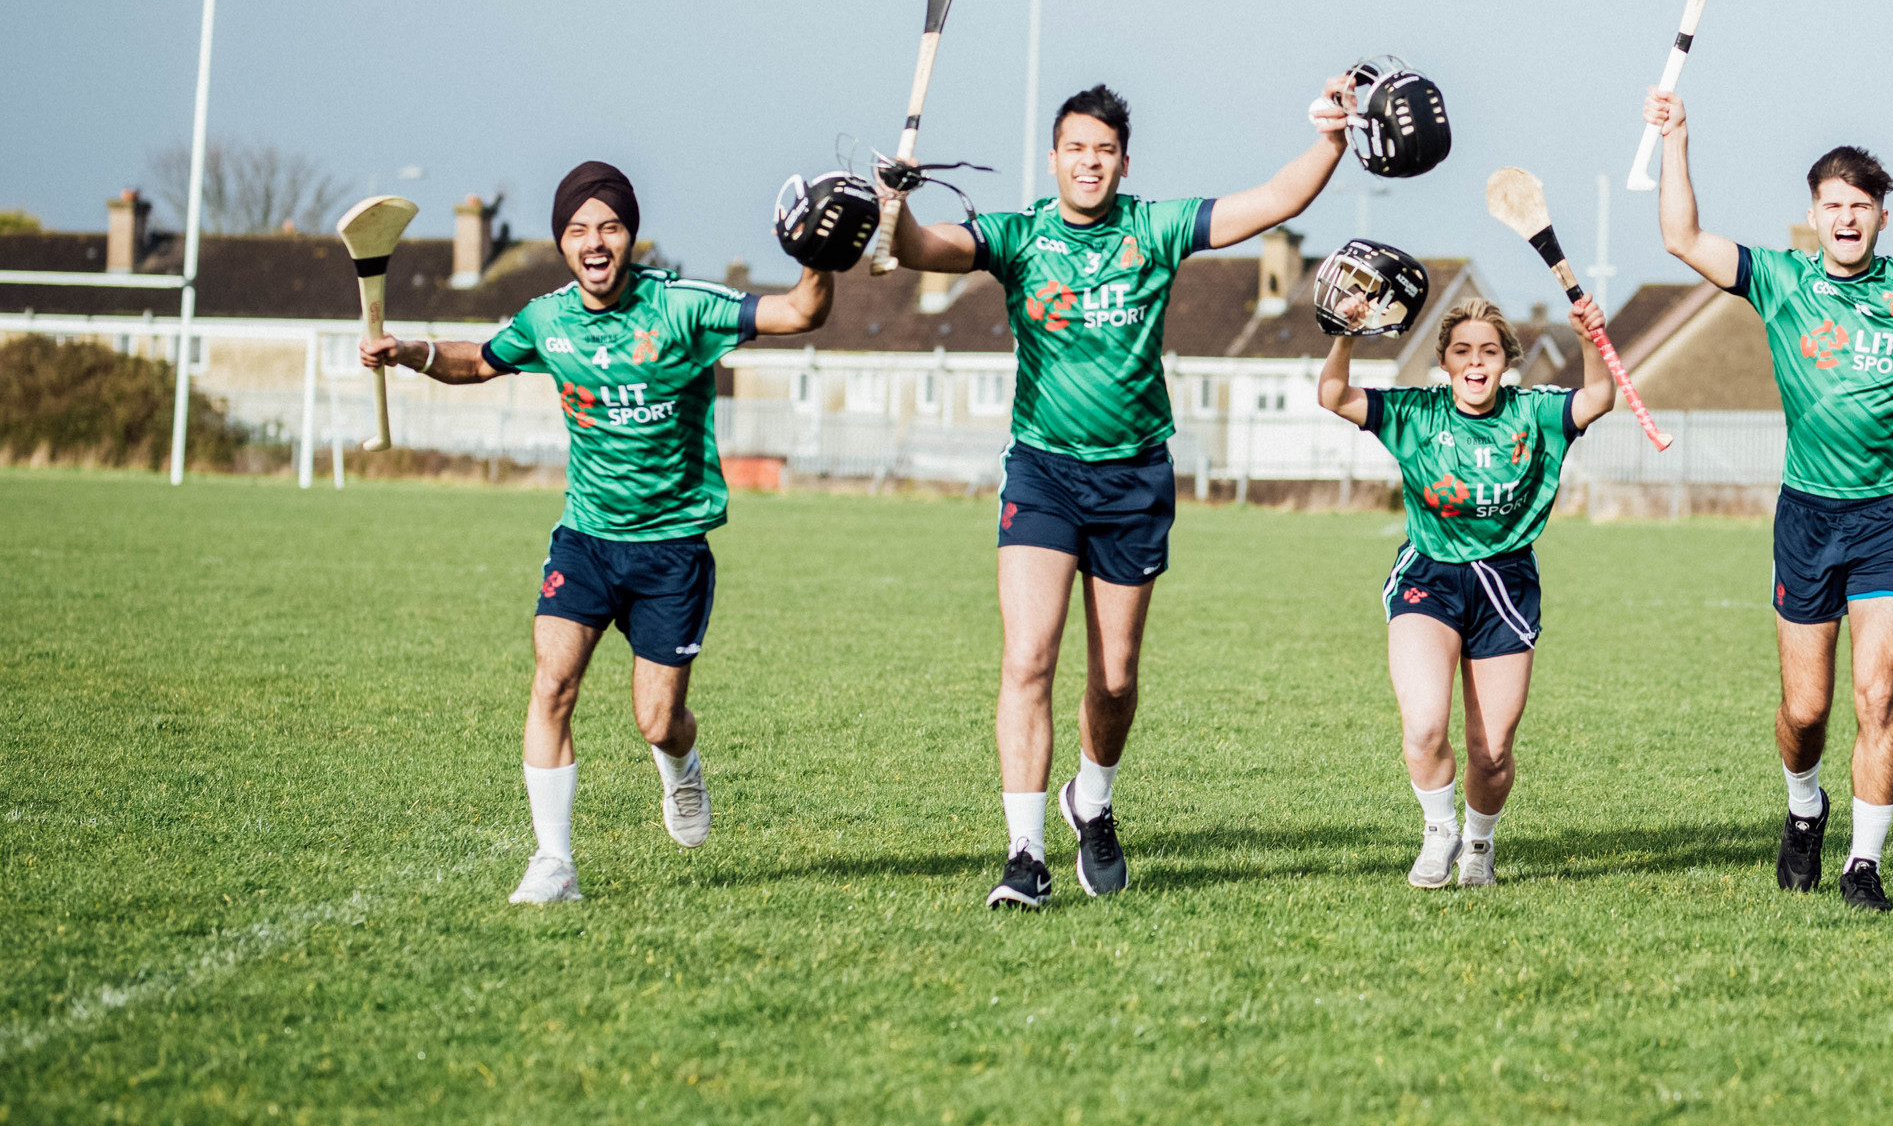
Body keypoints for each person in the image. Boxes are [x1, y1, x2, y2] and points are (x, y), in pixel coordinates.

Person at [885, 77, 1354, 908]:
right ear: (1055, 157)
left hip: (1134, 475)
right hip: (1042, 470)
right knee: (1028, 658)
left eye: (1104, 151)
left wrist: (1335, 133)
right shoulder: (1019, 235)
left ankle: (1092, 804)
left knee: (1115, 678)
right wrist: (895, 206)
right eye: (1076, 148)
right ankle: (1024, 852)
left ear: (1123, 163)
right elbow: (920, 251)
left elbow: (1277, 200)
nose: (1089, 163)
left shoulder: (1155, 229)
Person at [363, 161, 833, 905]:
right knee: (552, 683)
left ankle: (681, 766)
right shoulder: (547, 318)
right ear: (562, 244)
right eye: (579, 229)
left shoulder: (681, 306)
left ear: (630, 236)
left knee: (658, 718)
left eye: (609, 226)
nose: (595, 240)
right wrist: (414, 353)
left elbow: (800, 313)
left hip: (672, 548)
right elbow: (480, 361)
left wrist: (819, 251)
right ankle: (555, 864)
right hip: (585, 537)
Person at [1644, 89, 1893, 911]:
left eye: (1861, 206)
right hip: (1807, 516)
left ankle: (1864, 864)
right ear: (1813, 216)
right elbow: (1680, 237)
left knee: (1879, 694)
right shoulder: (1781, 281)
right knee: (1806, 709)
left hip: (1889, 516)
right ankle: (1803, 807)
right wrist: (1678, 138)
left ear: (1881, 218)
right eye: (1833, 206)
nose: (1847, 219)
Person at [1316, 294, 1617, 887]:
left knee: (1493, 751)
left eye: (1488, 351)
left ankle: (1479, 843)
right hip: (1429, 577)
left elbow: (1599, 398)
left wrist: (1588, 337)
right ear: (1445, 362)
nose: (1475, 363)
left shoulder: (1534, 414)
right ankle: (1439, 833)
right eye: (1462, 352)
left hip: (1506, 585)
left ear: (1507, 360)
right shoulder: (1418, 414)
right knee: (1425, 727)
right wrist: (1345, 335)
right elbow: (1333, 395)